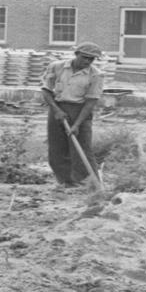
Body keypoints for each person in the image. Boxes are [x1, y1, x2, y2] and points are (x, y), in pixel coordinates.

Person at [39, 41, 104, 187]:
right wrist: (57, 110)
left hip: (80, 111)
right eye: (84, 57)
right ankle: (66, 182)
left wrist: (77, 124)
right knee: (57, 148)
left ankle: (90, 184)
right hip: (57, 108)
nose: (87, 61)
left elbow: (91, 102)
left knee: (82, 148)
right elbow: (46, 90)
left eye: (91, 59)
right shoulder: (57, 67)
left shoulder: (96, 75)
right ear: (76, 54)